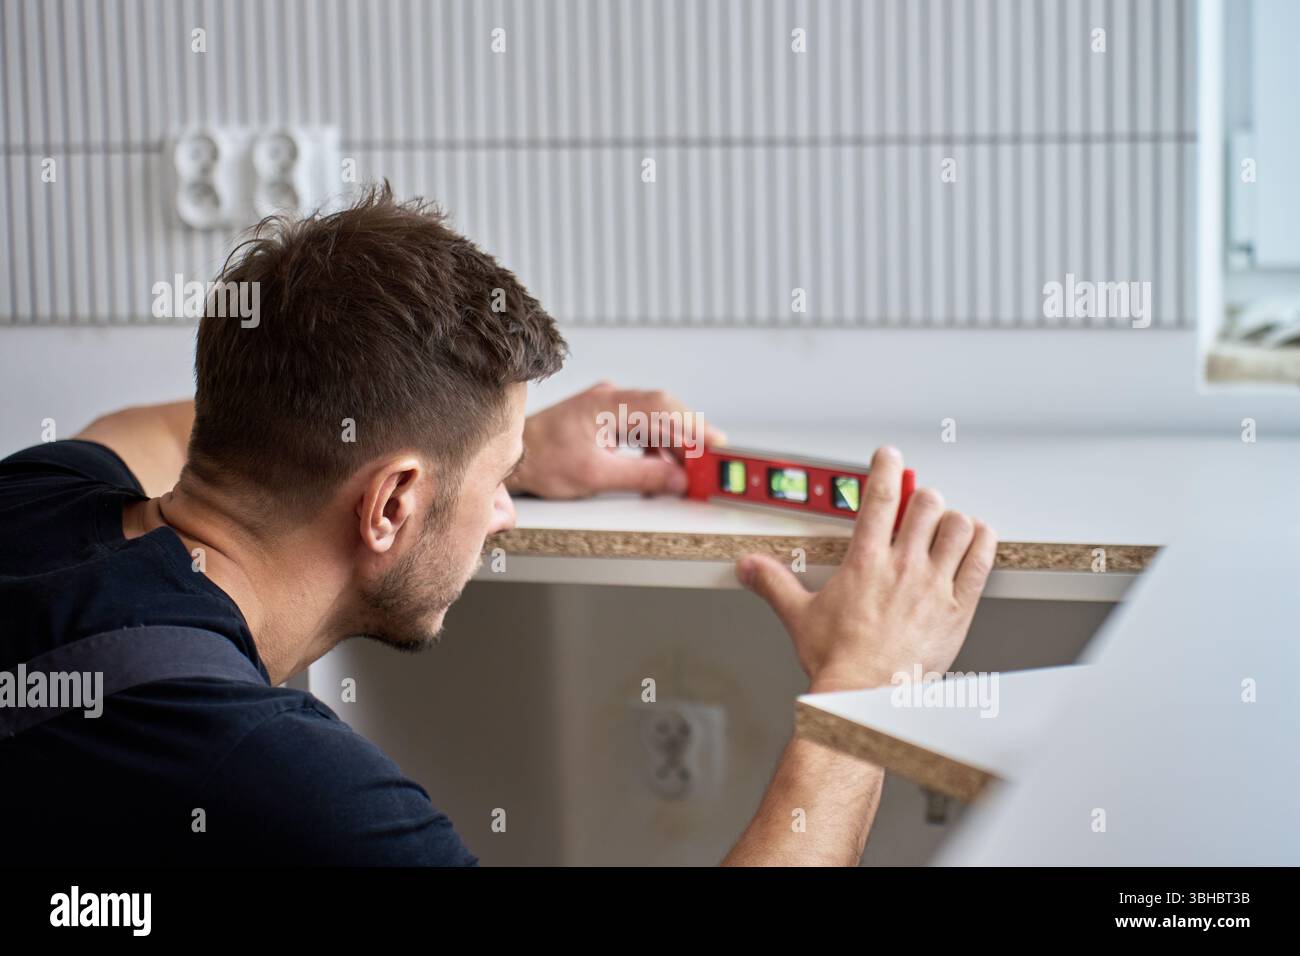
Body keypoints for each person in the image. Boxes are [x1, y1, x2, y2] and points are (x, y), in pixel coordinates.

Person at [0, 185, 995, 866]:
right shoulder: (288, 788)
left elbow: (170, 425)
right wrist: (864, 692)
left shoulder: (43, 496)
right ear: (391, 503)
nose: (507, 506)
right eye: (497, 478)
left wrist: (498, 443)